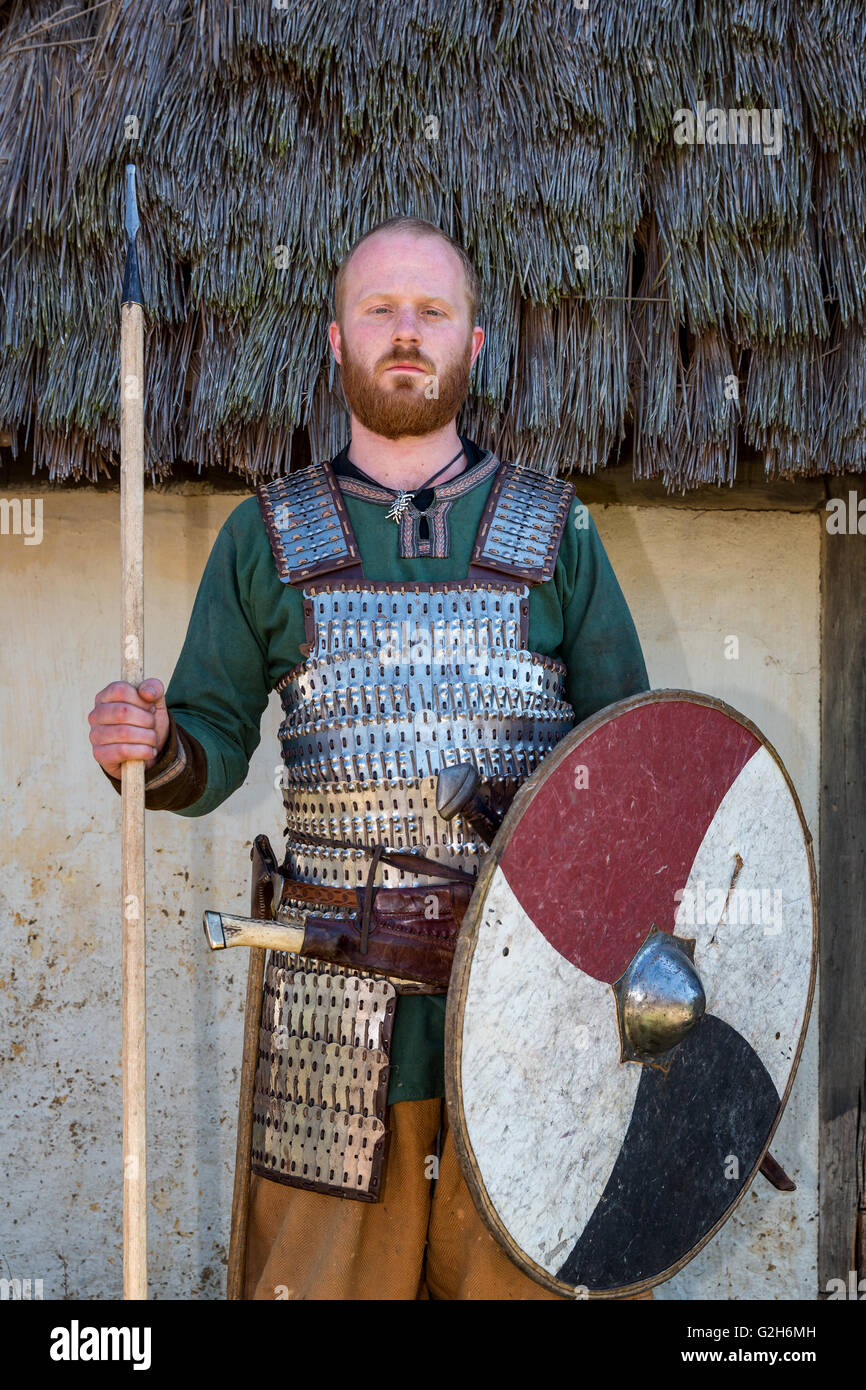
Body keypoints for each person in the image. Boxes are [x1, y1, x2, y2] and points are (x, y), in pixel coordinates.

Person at [89, 215, 651, 1300]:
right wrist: (153, 747)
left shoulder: (557, 529)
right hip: (335, 1012)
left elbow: (626, 767)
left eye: (431, 312)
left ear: (473, 343)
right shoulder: (266, 535)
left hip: (527, 1015)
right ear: (335, 339)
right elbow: (204, 742)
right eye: (379, 310)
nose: (406, 333)